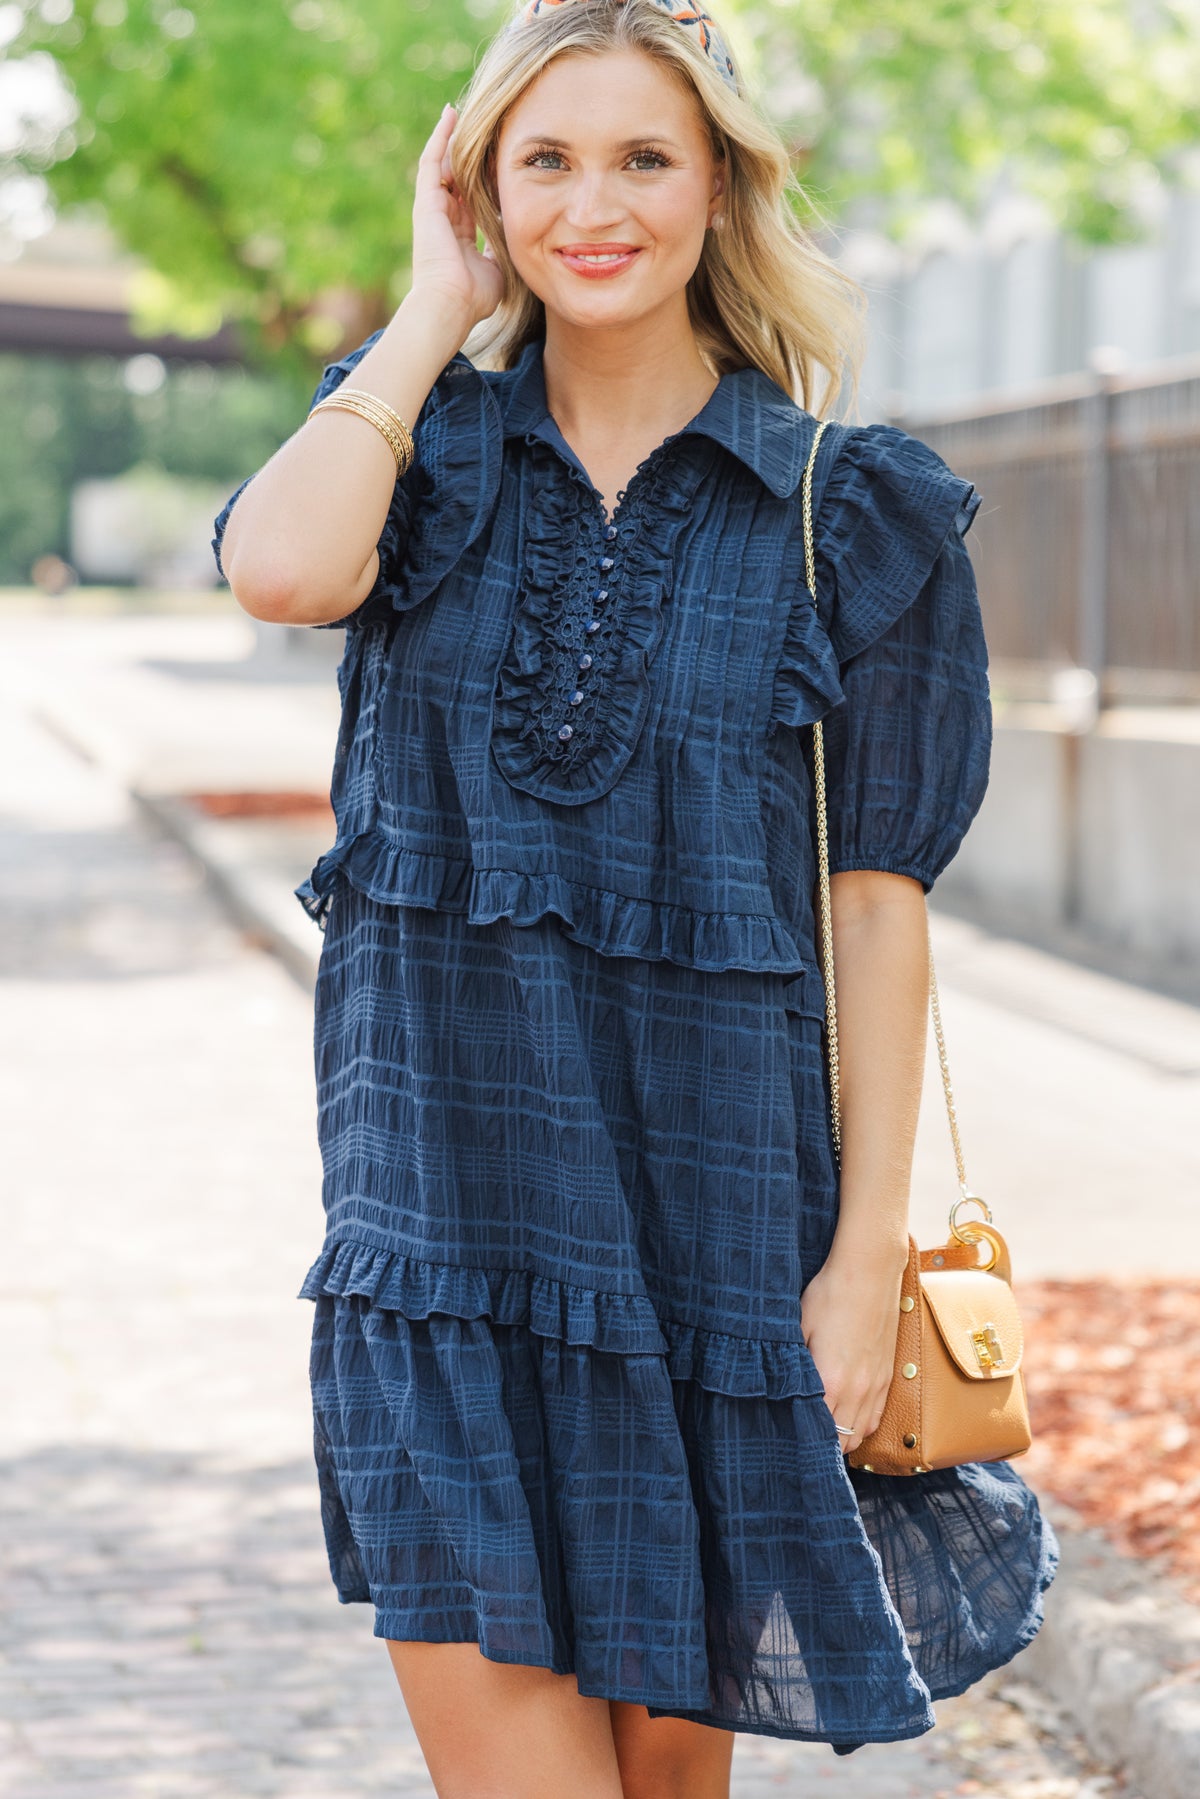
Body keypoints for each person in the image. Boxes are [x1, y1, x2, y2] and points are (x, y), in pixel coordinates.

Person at [211, 2, 1059, 1793]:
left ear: (725, 188)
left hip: (725, 1250)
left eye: (644, 157)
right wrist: (432, 303)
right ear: (483, 193)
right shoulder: (415, 459)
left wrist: (855, 1268)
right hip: (445, 1245)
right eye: (546, 161)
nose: (595, 204)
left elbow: (879, 908)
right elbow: (278, 569)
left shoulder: (851, 509)